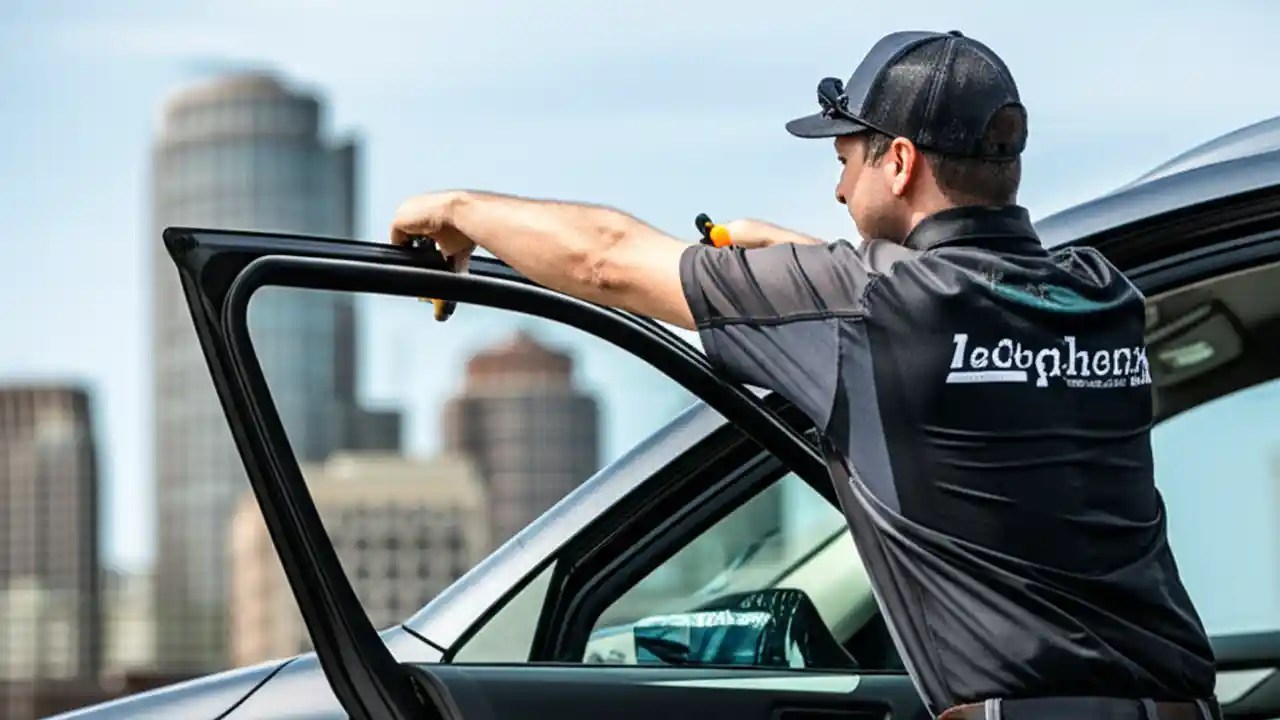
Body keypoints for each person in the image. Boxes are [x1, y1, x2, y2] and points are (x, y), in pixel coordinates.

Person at [388, 29, 1220, 720]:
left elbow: (604, 261)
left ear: (898, 161)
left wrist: (459, 210)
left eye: (849, 156)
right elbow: (956, 316)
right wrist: (805, 268)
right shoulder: (1101, 296)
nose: (837, 185)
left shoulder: (860, 305)